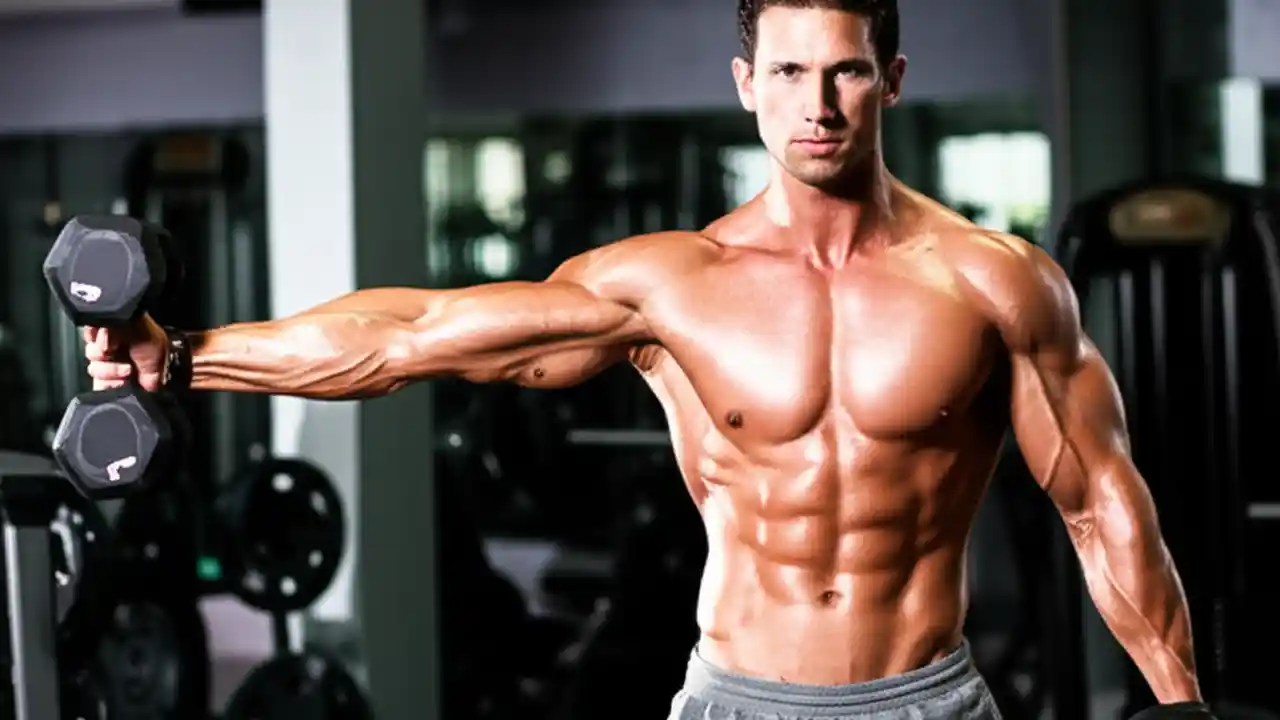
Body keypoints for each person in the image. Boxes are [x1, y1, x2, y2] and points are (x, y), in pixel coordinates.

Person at [84, 1, 1213, 717]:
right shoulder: (671, 286)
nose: (814, 106)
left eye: (845, 72)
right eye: (784, 73)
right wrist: (184, 358)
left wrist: (1177, 703)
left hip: (924, 697)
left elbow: (1099, 504)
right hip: (735, 698)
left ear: (893, 76)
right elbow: (414, 335)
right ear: (742, 85)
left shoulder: (992, 282)